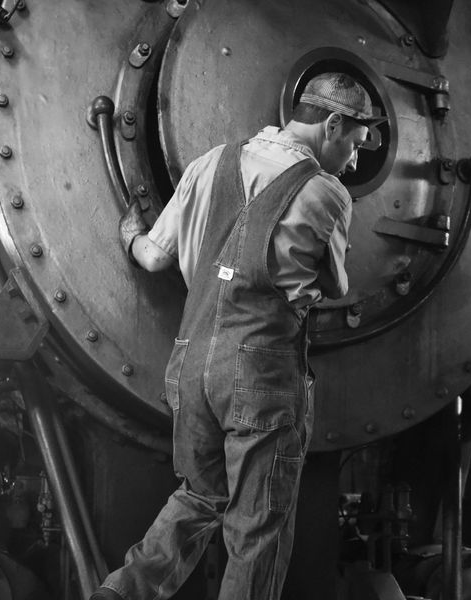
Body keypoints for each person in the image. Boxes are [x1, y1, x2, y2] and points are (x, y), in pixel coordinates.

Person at [91, 72, 387, 600]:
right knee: (258, 529)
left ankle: (117, 595)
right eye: (357, 144)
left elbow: (155, 255)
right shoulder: (326, 193)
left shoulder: (211, 162)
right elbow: (337, 283)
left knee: (200, 497)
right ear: (334, 124)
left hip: (192, 360)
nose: (356, 160)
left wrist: (131, 233)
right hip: (261, 371)